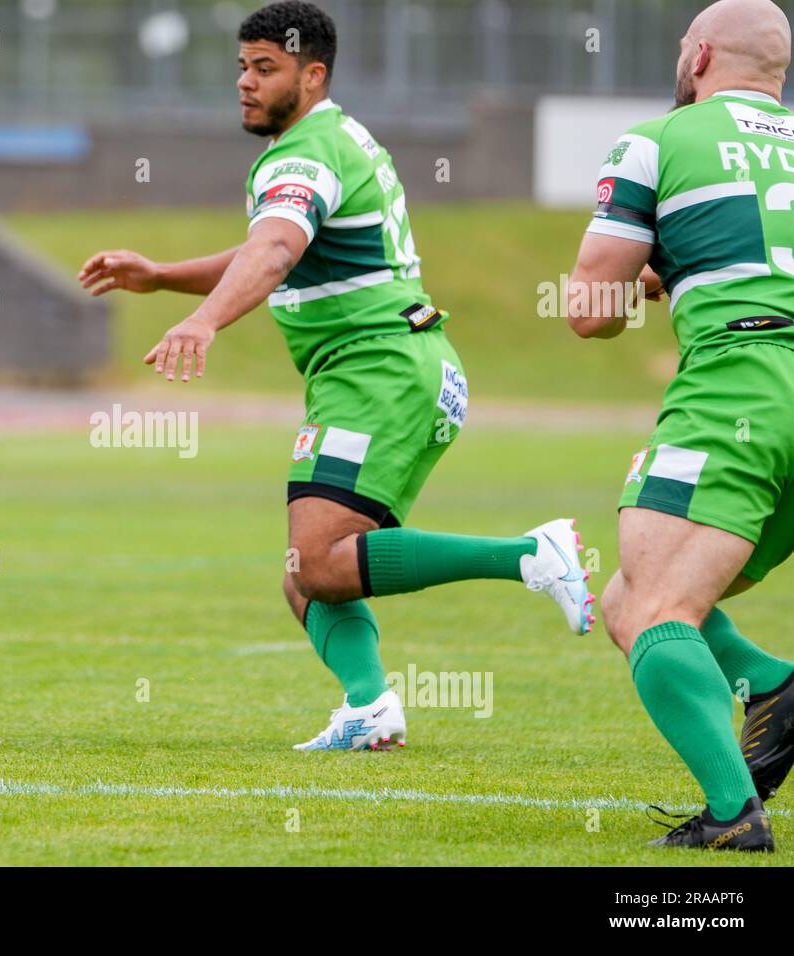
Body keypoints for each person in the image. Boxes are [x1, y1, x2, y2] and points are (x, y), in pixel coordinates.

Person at [79, 1, 592, 752]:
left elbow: (277, 251)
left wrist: (205, 321)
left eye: (265, 68)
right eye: (241, 67)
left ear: (311, 74)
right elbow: (272, 245)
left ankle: (529, 555)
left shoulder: (302, 154)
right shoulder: (332, 138)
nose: (244, 83)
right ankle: (369, 708)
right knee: (306, 571)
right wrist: (162, 277)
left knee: (317, 561)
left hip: (377, 372)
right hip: (394, 369)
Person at [568, 0, 794, 850]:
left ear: (698, 55)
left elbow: (589, 309)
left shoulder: (659, 140)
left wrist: (652, 268)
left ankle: (735, 817)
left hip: (740, 384)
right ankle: (772, 686)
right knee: (635, 595)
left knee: (652, 604)